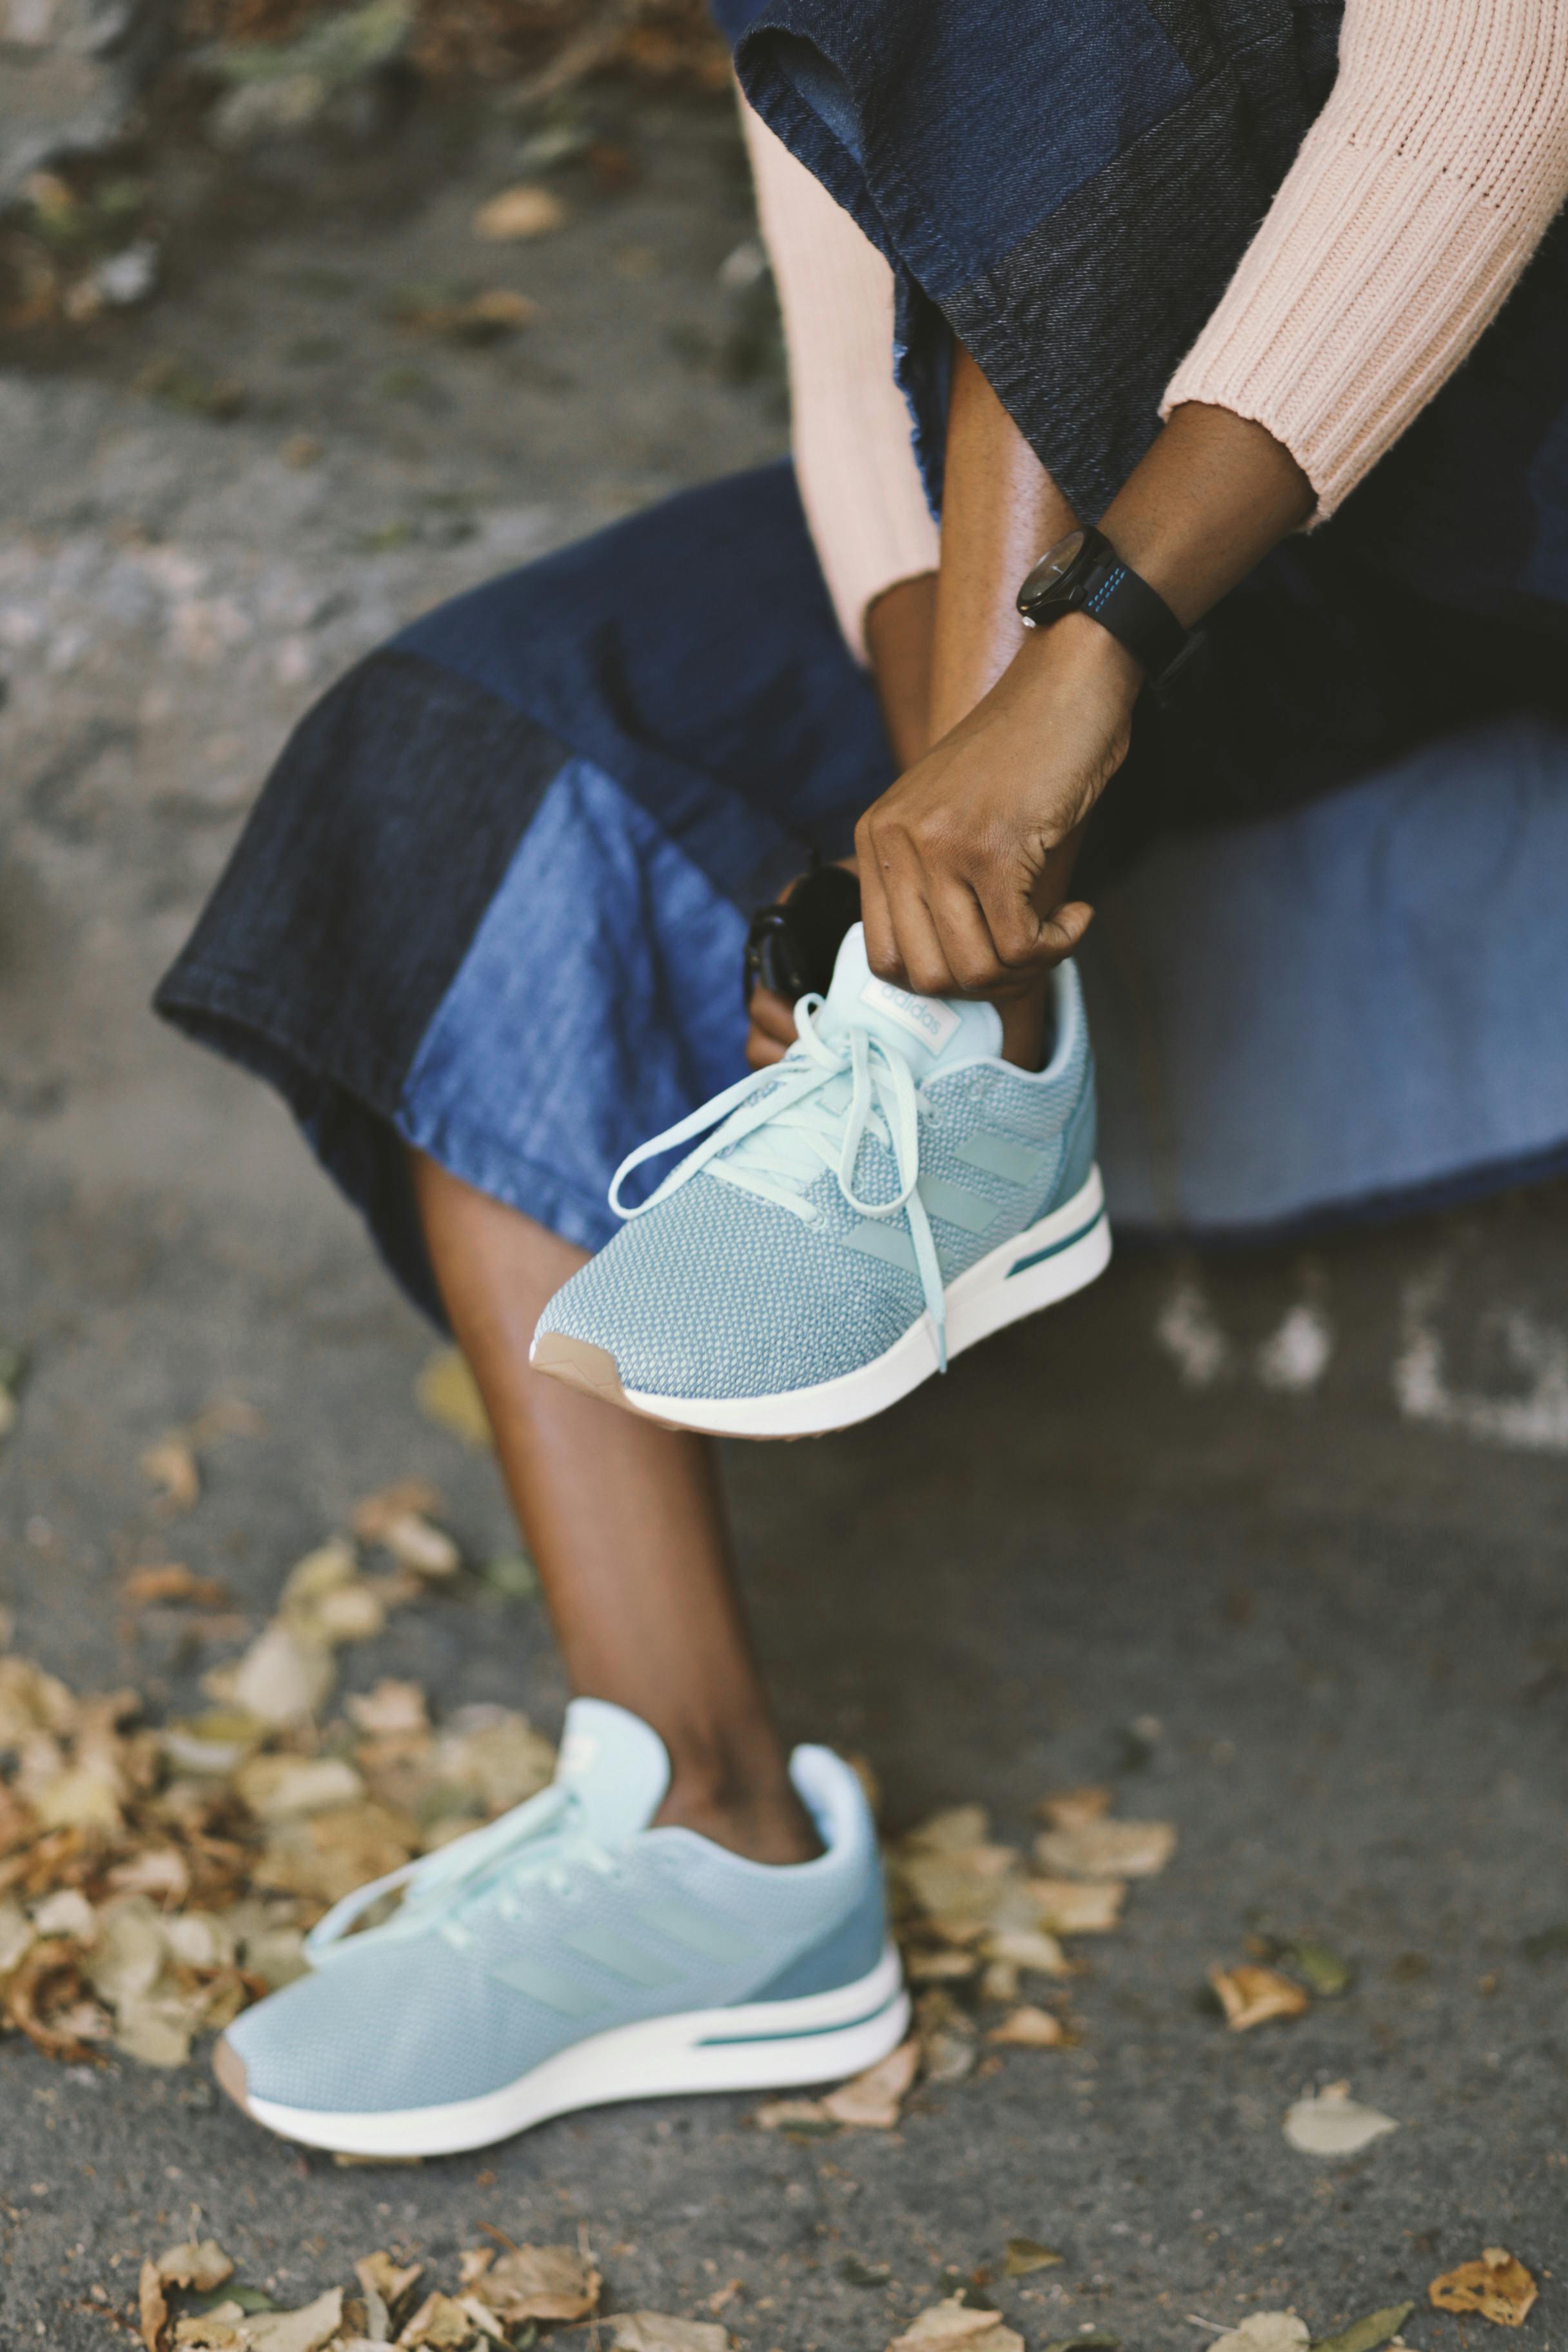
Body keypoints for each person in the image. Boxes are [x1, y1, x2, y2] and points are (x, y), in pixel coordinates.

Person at [155, 0, 1568, 2155]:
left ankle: (964, 1048)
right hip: (1152, 495)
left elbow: (1493, 91)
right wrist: (931, 829)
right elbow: (866, 356)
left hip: (1480, 430)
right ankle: (706, 1837)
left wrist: (1074, 687)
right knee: (475, 744)